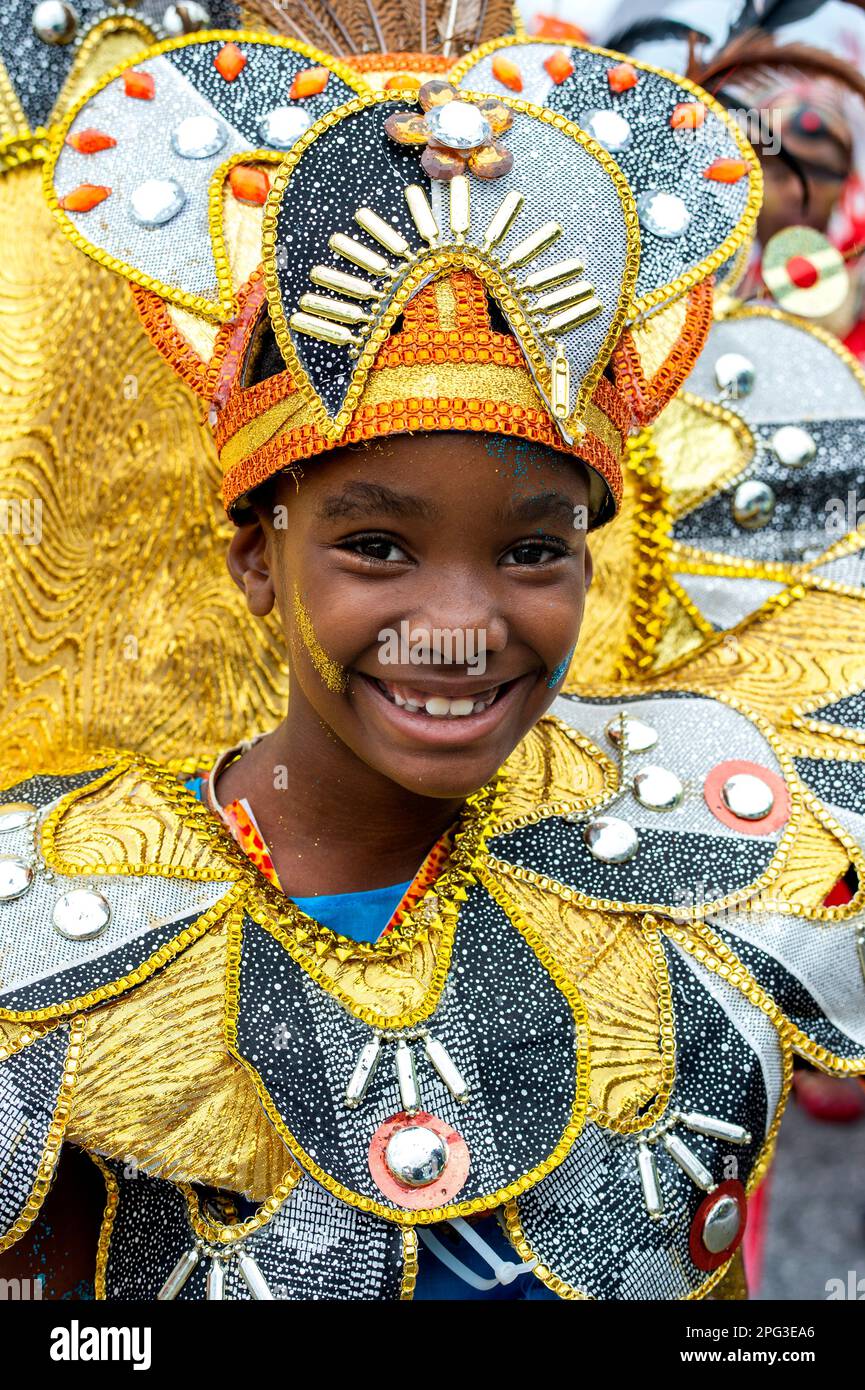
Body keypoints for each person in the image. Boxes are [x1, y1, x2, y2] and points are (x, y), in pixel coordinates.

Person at [0, 18, 863, 1303]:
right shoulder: (55, 939)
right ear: (255, 561)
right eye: (377, 547)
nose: (460, 622)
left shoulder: (715, 861)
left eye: (530, 551)